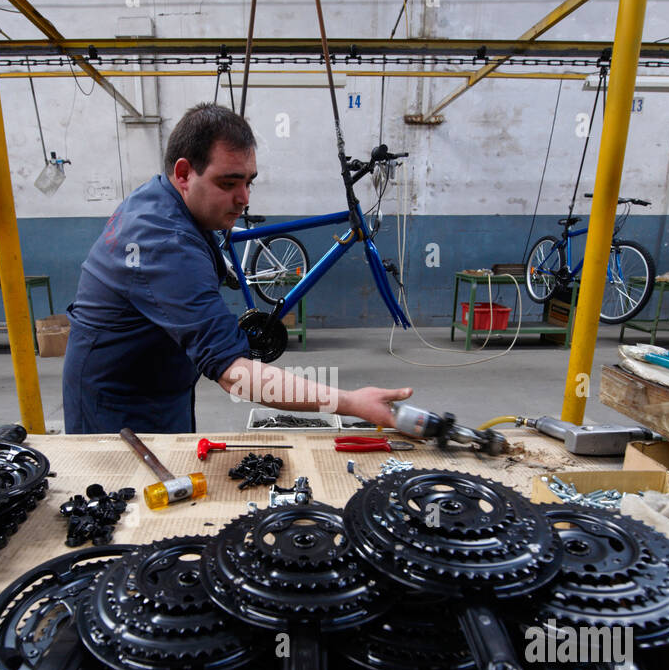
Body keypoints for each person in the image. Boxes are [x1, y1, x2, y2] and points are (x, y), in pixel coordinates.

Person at [61, 103, 411, 434]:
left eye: (249, 181)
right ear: (184, 173)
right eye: (228, 183)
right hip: (118, 413)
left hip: (156, 387)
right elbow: (234, 375)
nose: (244, 198)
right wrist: (352, 402)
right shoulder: (164, 242)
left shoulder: (161, 198)